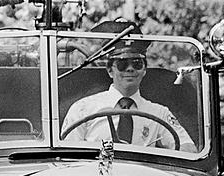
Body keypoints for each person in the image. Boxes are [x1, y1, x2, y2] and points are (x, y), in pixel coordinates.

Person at [62, 20, 196, 152]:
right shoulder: (83, 110)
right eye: (122, 64)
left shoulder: (159, 113)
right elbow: (68, 157)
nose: (130, 69)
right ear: (110, 70)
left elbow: (188, 148)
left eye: (137, 64)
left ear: (144, 69)